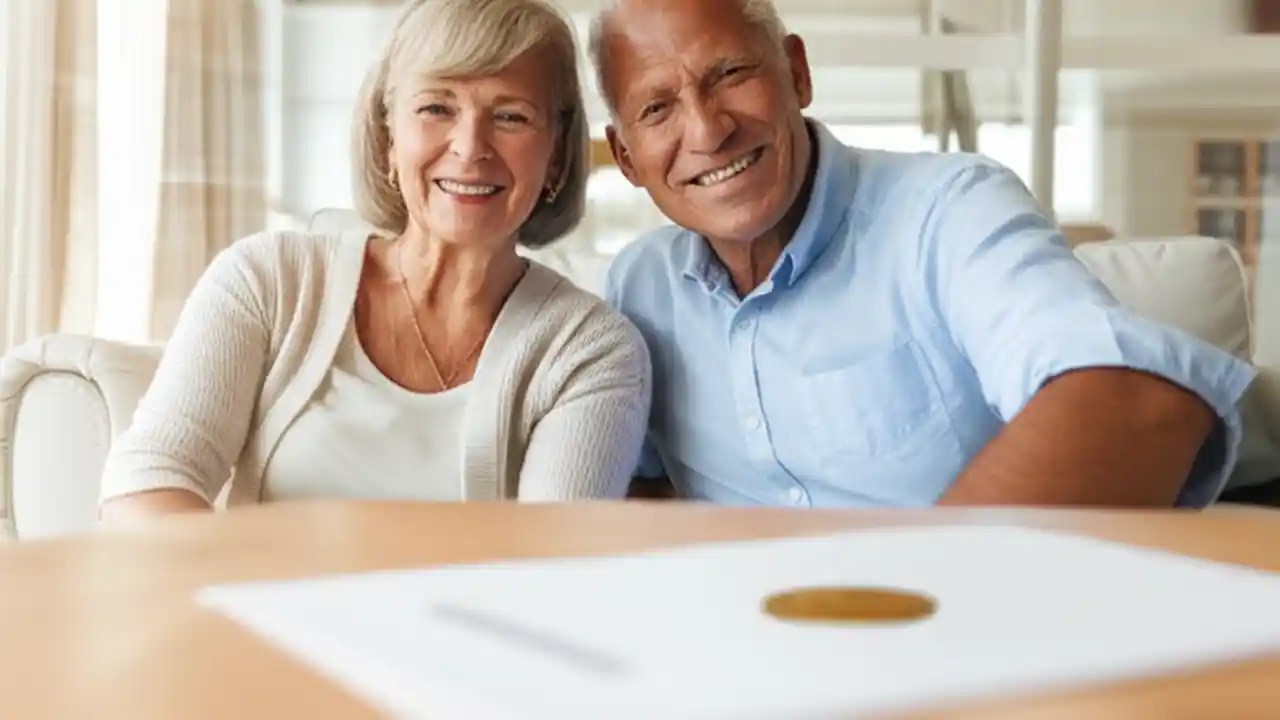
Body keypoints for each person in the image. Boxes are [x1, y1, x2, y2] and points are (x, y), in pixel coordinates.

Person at [590, 0, 1255, 508]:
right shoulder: (641, 289)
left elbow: (1131, 406)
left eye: (730, 73)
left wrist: (928, 607)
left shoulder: (949, 210)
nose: (708, 130)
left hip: (962, 640)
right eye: (657, 109)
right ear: (625, 157)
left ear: (796, 73)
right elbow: (635, 495)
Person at [99, 0, 651, 523]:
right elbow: (146, 485)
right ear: (388, 137)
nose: (469, 146)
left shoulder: (590, 350)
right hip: (249, 615)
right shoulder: (268, 280)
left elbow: (552, 569)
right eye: (436, 107)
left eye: (510, 116)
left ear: (556, 155)